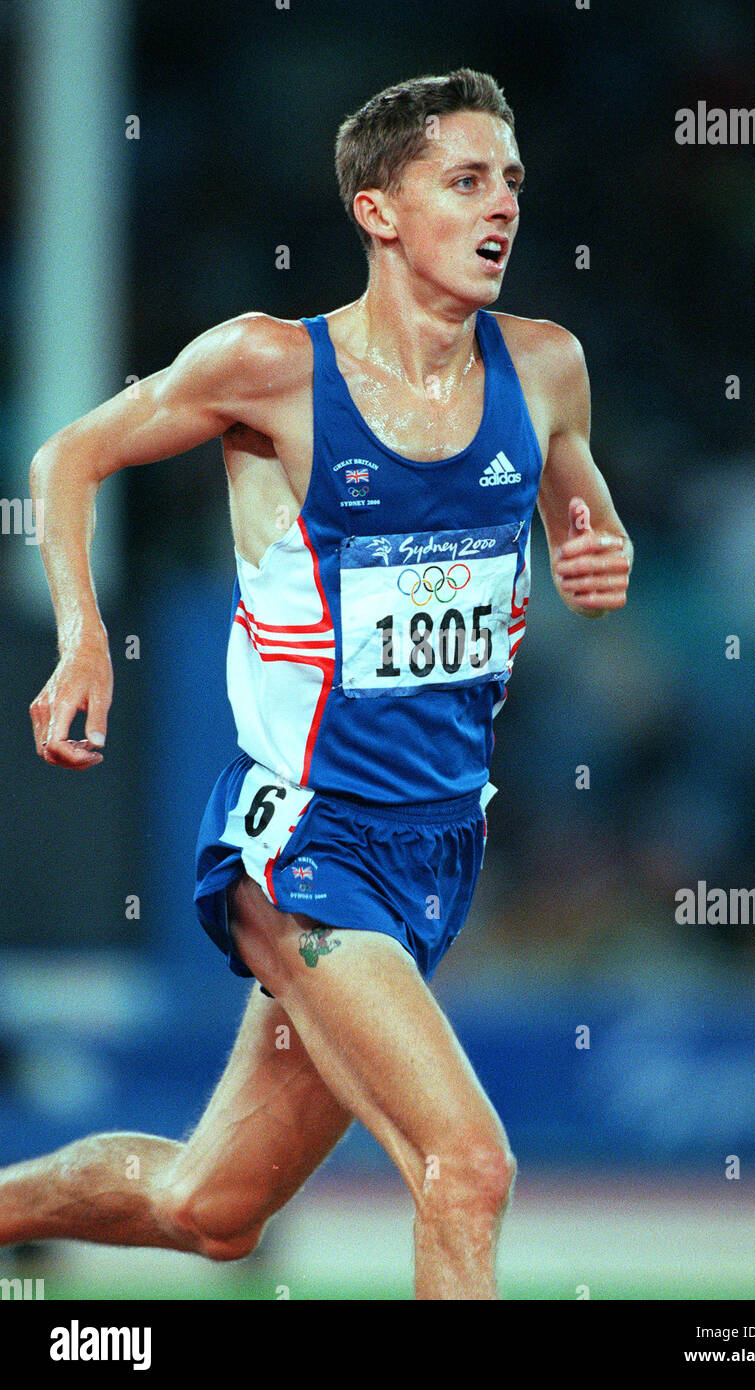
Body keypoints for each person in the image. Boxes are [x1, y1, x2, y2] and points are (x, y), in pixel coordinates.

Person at [6, 69, 632, 1300]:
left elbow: (581, 505)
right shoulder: (271, 367)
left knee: (213, 1207)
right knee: (465, 1164)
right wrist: (82, 637)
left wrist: (595, 546)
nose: (500, 204)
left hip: (440, 848)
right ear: (378, 210)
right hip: (303, 839)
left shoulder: (546, 365)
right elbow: (68, 454)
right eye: (465, 181)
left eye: (509, 181)